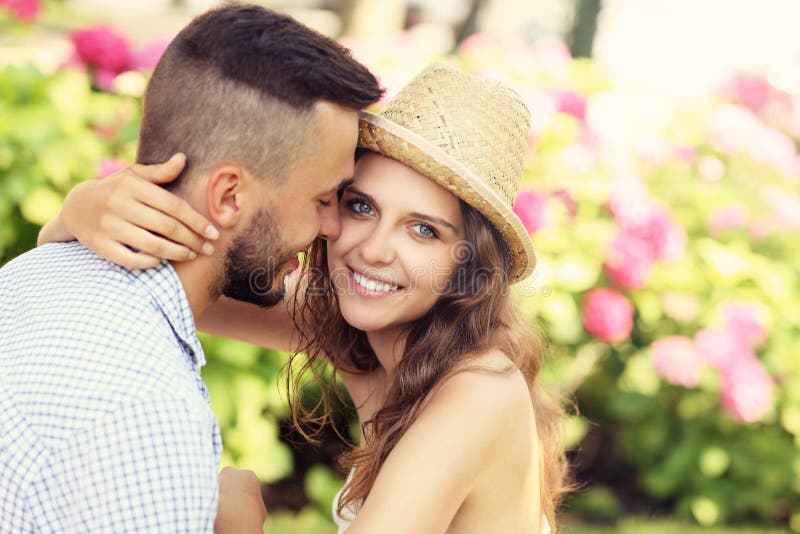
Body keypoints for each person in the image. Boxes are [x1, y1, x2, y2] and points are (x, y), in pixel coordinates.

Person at [41, 64, 570, 532]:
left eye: (423, 230)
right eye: (361, 207)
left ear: (468, 261)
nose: (373, 250)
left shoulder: (478, 393)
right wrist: (80, 209)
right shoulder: (362, 332)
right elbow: (170, 279)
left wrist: (239, 522)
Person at [1, 4, 382, 533]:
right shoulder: (147, 418)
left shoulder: (29, 280)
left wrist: (68, 219)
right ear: (227, 196)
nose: (335, 226)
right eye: (326, 198)